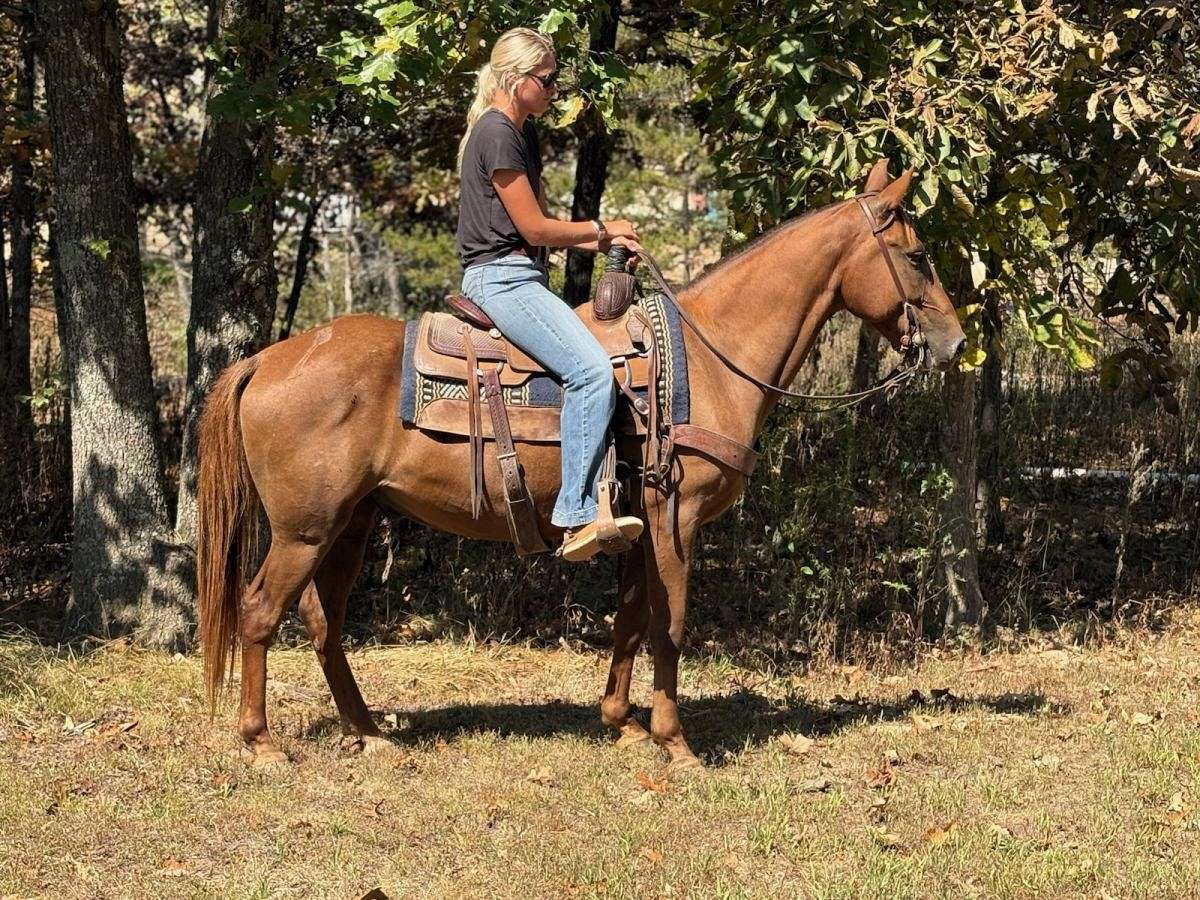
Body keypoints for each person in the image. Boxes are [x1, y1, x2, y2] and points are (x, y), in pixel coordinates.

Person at [455, 27, 644, 562]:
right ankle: (576, 514)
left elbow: (538, 229)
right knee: (590, 371)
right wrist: (603, 229)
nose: (555, 90)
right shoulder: (497, 134)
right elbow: (535, 230)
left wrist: (603, 238)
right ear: (517, 81)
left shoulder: (517, 132)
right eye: (548, 80)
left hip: (516, 276)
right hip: (500, 279)